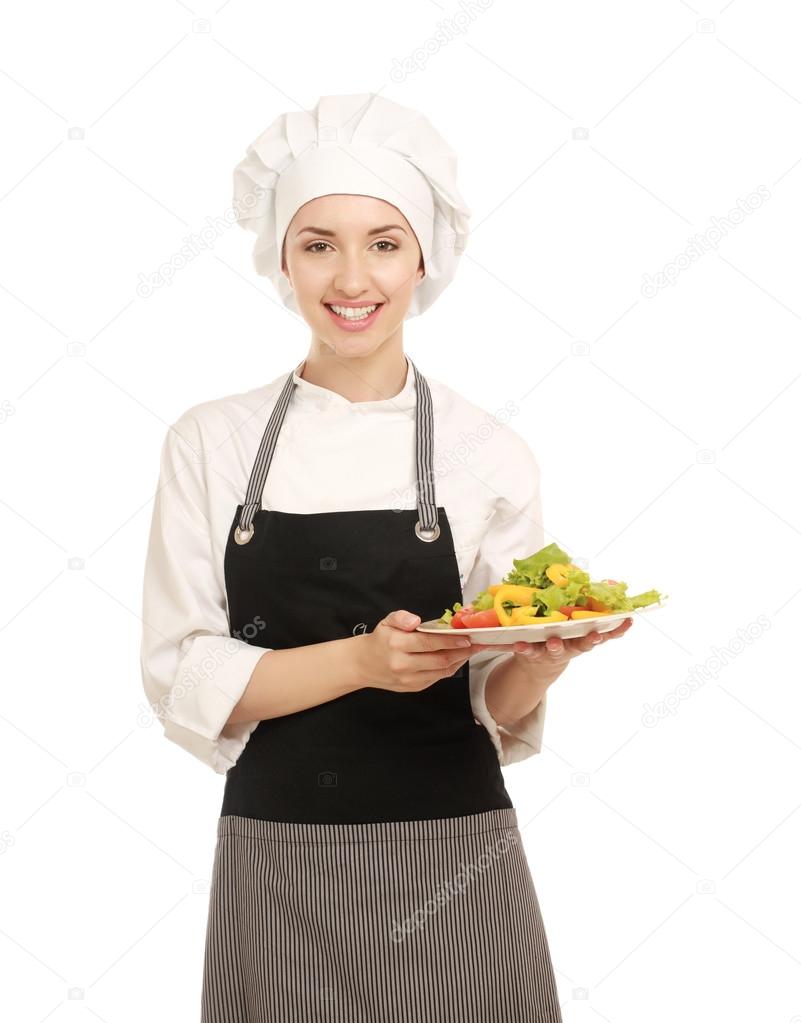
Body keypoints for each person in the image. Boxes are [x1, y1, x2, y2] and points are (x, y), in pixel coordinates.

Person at [140, 92, 631, 1023]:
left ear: (424, 260)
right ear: (280, 257)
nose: (351, 276)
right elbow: (182, 675)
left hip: (459, 849)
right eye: (319, 242)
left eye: (384, 242)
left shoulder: (486, 450)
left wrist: (535, 662)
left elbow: (492, 704)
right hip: (279, 850)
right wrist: (362, 661)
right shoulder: (212, 441)